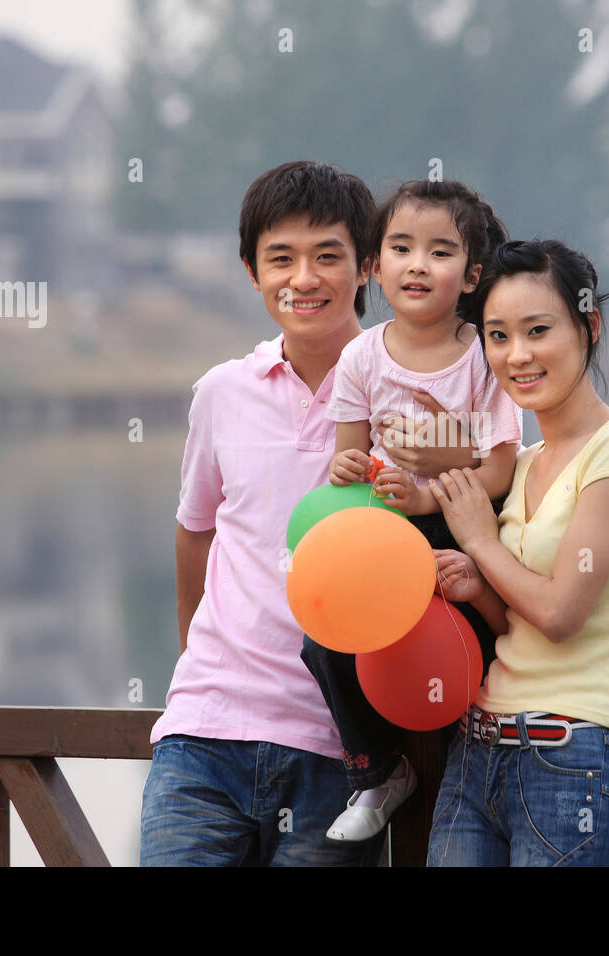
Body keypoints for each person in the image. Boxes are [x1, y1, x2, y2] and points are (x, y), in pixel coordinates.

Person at [138, 161, 476, 866]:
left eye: (328, 256)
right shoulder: (221, 393)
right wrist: (195, 668)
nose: (303, 278)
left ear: (366, 268)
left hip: (341, 753)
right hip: (202, 738)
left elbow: (484, 521)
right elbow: (196, 532)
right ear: (250, 270)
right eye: (280, 258)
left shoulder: (420, 391)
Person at [423, 239, 609, 867]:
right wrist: (477, 586)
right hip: (474, 752)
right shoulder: (524, 464)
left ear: (588, 325)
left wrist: (481, 541)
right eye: (499, 336)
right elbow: (522, 626)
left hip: (569, 762)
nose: (519, 355)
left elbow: (562, 614)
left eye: (539, 331)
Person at [299, 180, 523, 844]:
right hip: (385, 533)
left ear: (472, 274)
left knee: (472, 649)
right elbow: (350, 466)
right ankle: (376, 771)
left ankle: (480, 772)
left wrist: (432, 494)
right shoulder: (360, 356)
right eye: (401, 247)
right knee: (326, 639)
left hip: (466, 529)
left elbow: (504, 467)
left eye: (440, 251)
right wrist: (347, 470)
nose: (417, 264)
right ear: (375, 265)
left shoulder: (484, 352)